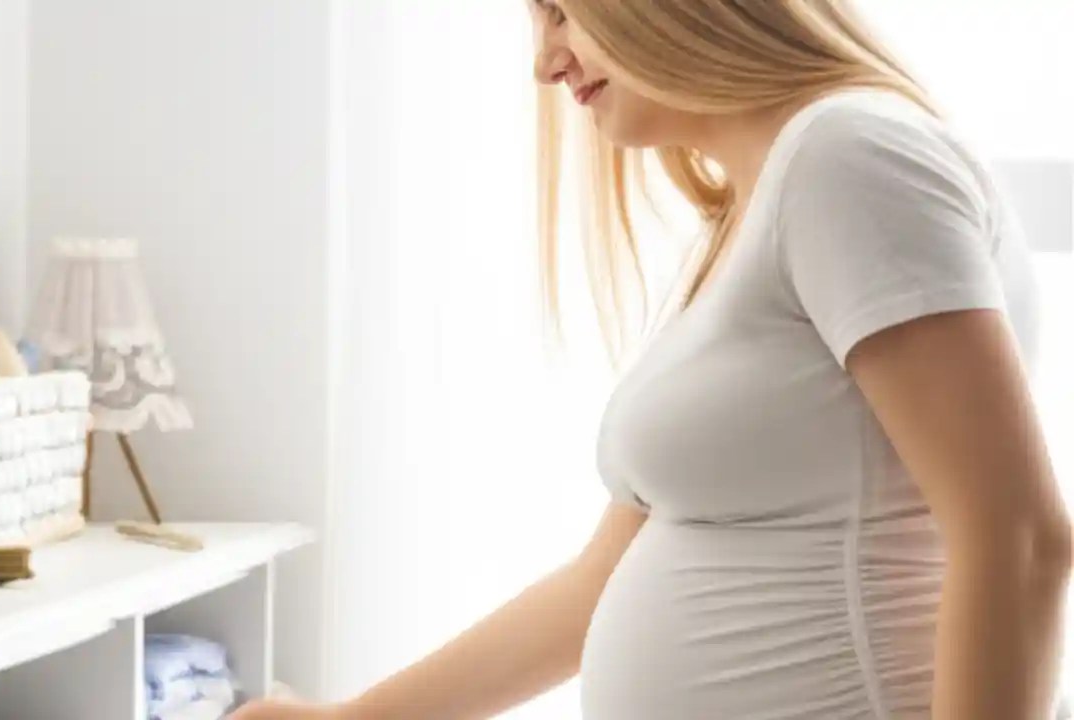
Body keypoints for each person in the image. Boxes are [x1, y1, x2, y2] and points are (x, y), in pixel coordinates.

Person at [233, 1, 1072, 718]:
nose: (545, 62)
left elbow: (1018, 540)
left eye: (561, 12)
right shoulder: (755, 211)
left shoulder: (848, 156)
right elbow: (599, 581)